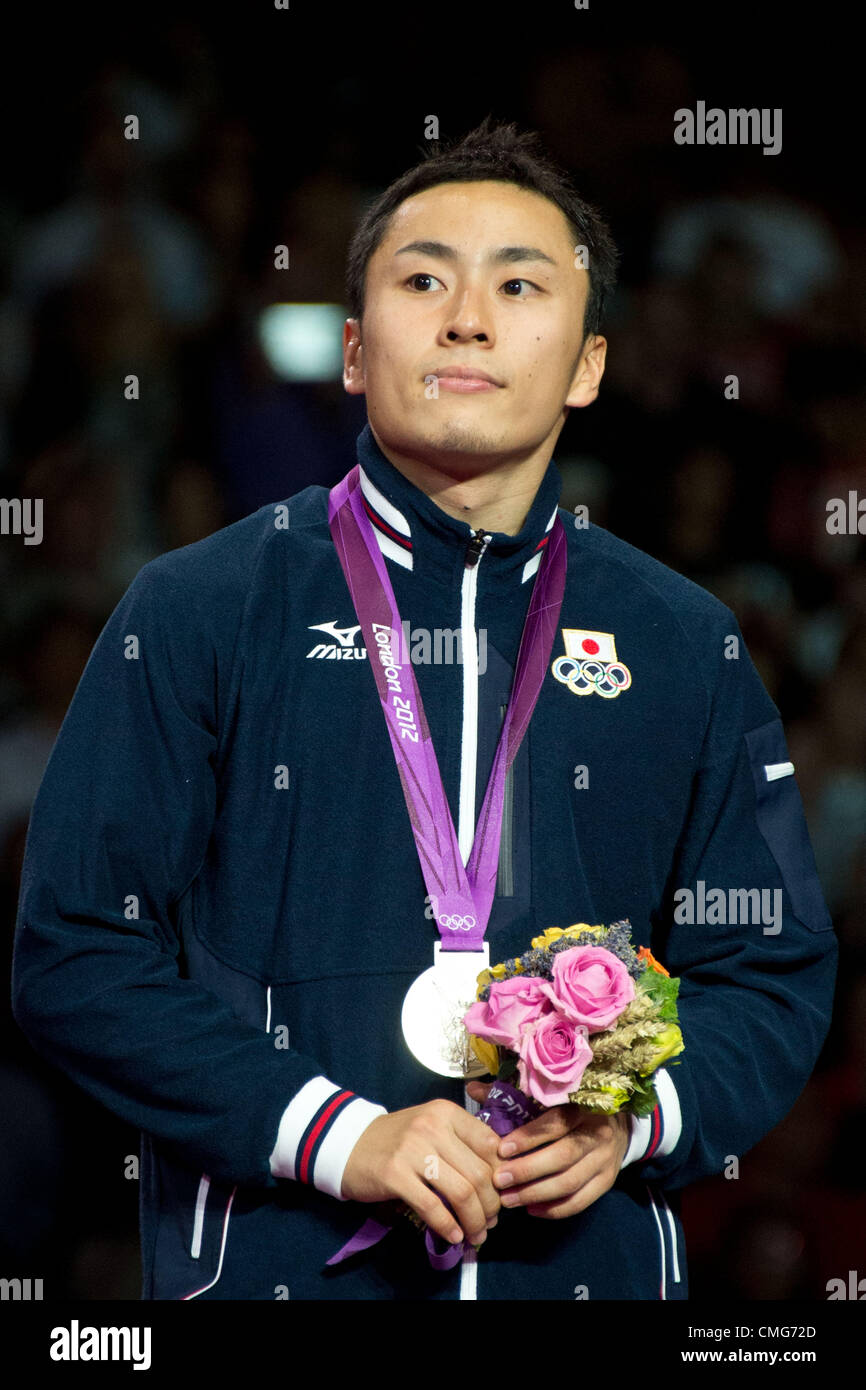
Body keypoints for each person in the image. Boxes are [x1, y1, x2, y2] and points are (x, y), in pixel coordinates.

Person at [12, 118, 837, 1300]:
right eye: (420, 280)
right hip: (275, 1267)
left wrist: (634, 1116)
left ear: (590, 364)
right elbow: (76, 949)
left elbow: (768, 964)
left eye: (516, 282)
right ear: (353, 350)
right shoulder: (201, 608)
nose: (466, 316)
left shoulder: (679, 641)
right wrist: (334, 1131)